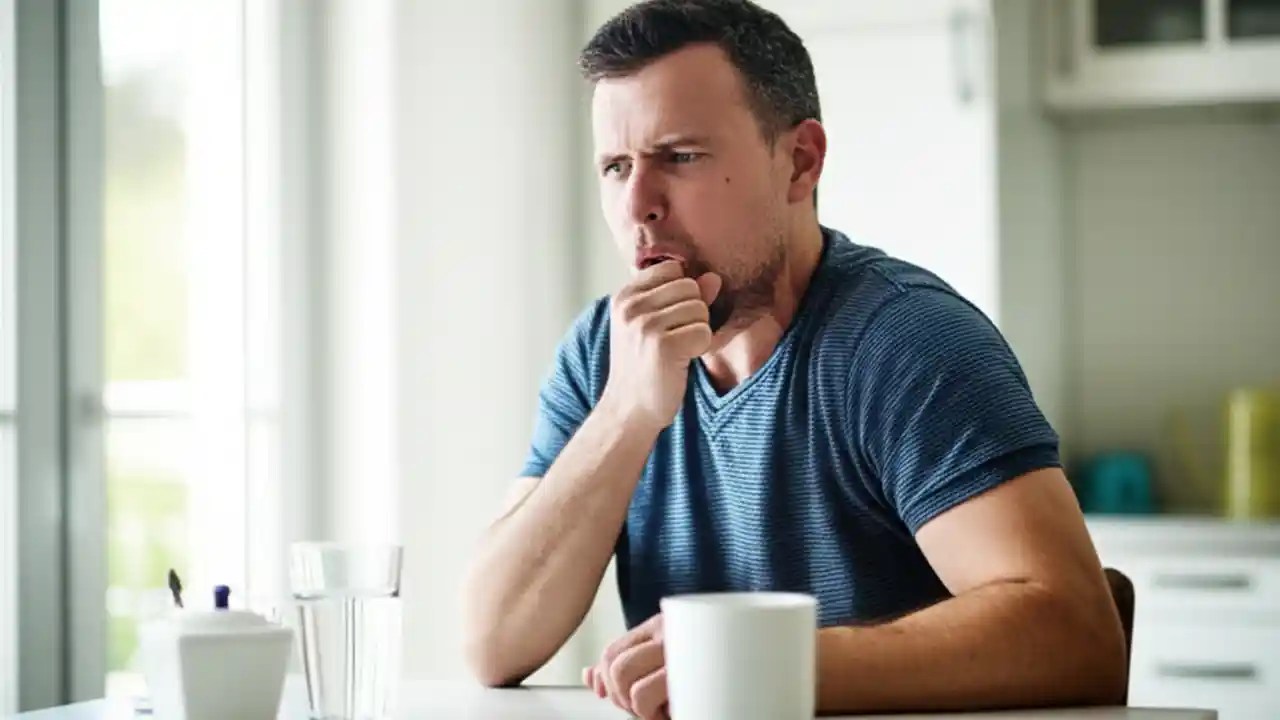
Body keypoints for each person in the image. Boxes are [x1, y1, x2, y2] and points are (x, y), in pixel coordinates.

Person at [460, 1, 1127, 717]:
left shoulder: (906, 345)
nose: (639, 204)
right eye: (616, 166)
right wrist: (626, 413)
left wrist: (757, 665)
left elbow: (1077, 633)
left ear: (799, 163)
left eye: (680, 156)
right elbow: (494, 643)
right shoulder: (603, 354)